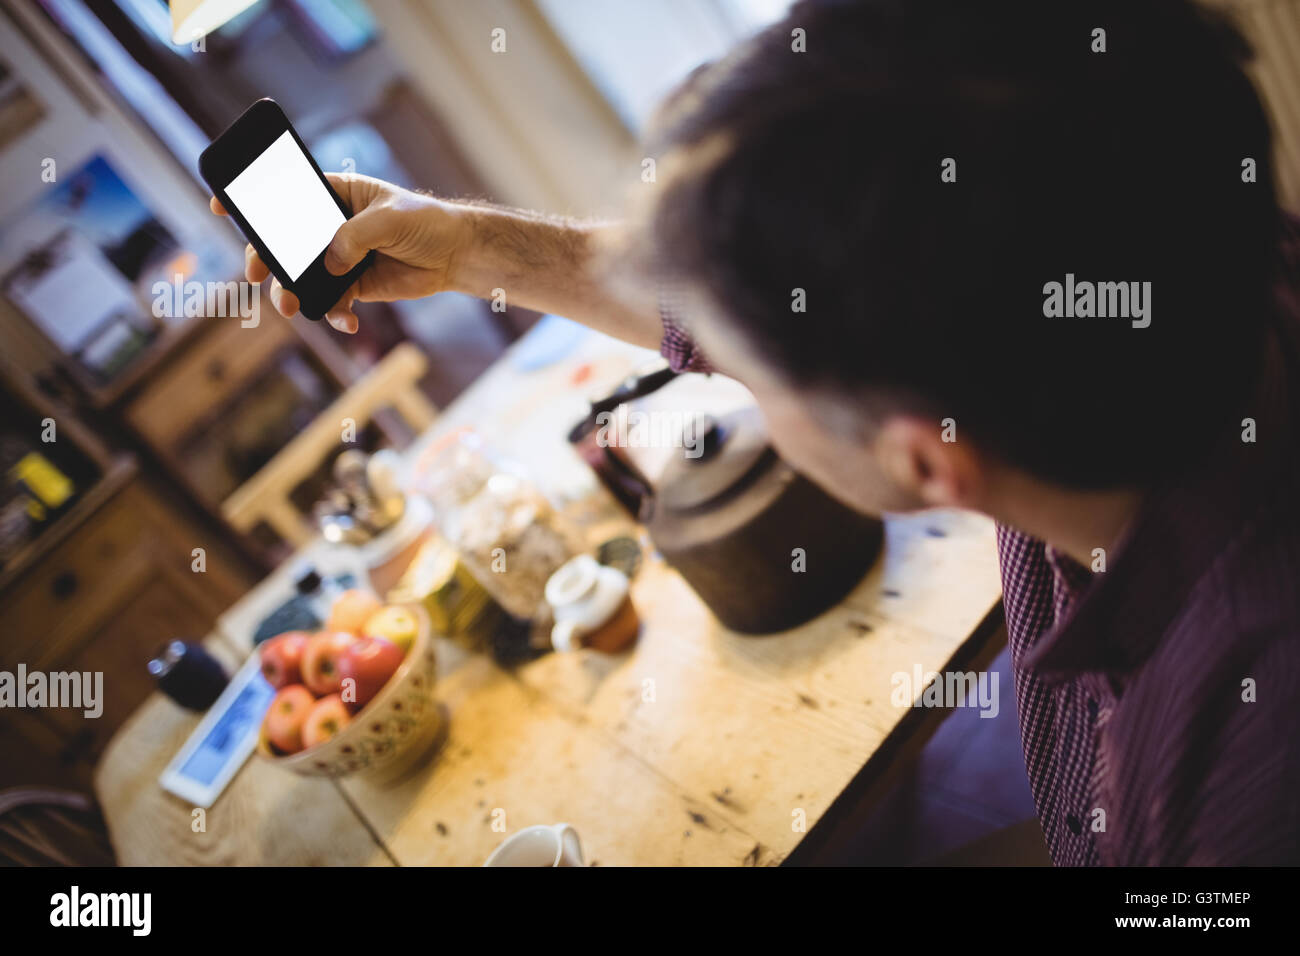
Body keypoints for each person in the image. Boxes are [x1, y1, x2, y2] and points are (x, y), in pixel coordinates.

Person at [212, 0, 1300, 865]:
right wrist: (475, 247)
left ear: (923, 459)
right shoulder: (1175, 237)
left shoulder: (1242, 782)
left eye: (756, 382)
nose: (725, 377)